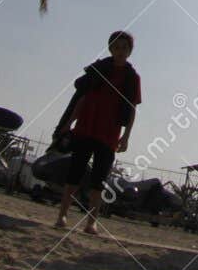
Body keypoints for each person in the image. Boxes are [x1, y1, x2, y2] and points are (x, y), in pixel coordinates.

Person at [53, 30, 141, 236]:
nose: (120, 52)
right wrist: (69, 123)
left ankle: (91, 221)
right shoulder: (99, 69)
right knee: (74, 173)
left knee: (99, 180)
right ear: (111, 48)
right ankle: (62, 214)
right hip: (86, 127)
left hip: (109, 133)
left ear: (130, 51)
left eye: (124, 48)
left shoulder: (132, 77)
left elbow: (132, 108)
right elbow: (82, 98)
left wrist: (126, 136)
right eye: (117, 47)